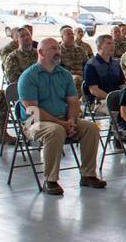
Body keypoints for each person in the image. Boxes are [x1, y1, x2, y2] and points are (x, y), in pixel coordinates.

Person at [17, 38, 105, 196]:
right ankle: (50, 180)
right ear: (41, 52)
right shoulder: (29, 76)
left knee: (91, 128)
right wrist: (62, 124)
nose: (58, 52)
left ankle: (88, 175)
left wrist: (70, 121)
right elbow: (32, 109)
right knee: (55, 130)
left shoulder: (64, 75)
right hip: (35, 121)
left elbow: (73, 102)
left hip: (63, 119)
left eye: (58, 48)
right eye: (52, 49)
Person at [83, 34, 126, 129]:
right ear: (99, 46)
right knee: (120, 109)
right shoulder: (91, 65)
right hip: (98, 102)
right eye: (108, 43)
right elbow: (94, 90)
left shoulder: (115, 64)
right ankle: (120, 136)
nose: (113, 46)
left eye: (113, 43)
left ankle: (125, 133)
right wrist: (112, 98)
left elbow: (122, 85)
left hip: (117, 99)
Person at [58, 25, 91, 95]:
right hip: (67, 76)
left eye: (72, 34)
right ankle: (76, 102)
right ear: (62, 37)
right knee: (77, 79)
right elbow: (57, 68)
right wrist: (73, 73)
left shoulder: (80, 49)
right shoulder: (58, 50)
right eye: (68, 34)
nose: (71, 36)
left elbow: (88, 64)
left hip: (82, 74)